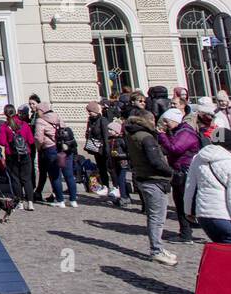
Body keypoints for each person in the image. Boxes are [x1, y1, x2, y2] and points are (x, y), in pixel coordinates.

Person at [124, 108, 177, 266]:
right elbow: (155, 161)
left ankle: (158, 247)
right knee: (157, 218)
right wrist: (171, 172)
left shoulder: (132, 134)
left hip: (143, 177)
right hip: (153, 179)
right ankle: (156, 250)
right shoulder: (146, 137)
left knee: (155, 216)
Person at [185, 127, 231, 244]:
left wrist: (188, 211)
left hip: (203, 215)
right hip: (224, 217)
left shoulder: (198, 159)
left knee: (219, 251)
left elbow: (190, 187)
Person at [157, 107, 200, 245]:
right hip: (179, 170)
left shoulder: (185, 132)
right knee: (181, 203)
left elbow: (175, 148)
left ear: (173, 120)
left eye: (166, 122)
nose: (164, 125)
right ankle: (185, 231)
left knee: (183, 202)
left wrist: (162, 136)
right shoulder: (177, 131)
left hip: (185, 171)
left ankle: (187, 234)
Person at [33, 103, 78, 208]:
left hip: (51, 149)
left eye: (37, 110)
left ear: (42, 110)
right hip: (65, 148)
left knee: (55, 175)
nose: (36, 113)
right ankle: (73, 200)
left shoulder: (40, 121)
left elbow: (38, 138)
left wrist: (39, 147)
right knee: (69, 175)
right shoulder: (57, 116)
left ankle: (60, 200)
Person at [0, 104, 36, 211]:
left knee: (15, 180)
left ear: (5, 113)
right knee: (27, 179)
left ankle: (20, 202)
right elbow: (31, 140)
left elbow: (2, 142)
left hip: (12, 155)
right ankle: (30, 202)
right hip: (25, 154)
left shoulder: (5, 126)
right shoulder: (24, 124)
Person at [84, 102, 111, 196]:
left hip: (103, 148)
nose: (89, 113)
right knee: (101, 169)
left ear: (95, 110)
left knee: (108, 169)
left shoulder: (102, 120)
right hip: (96, 149)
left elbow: (106, 136)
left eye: (90, 111)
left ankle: (114, 188)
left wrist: (107, 150)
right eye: (88, 111)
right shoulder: (91, 121)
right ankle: (105, 186)